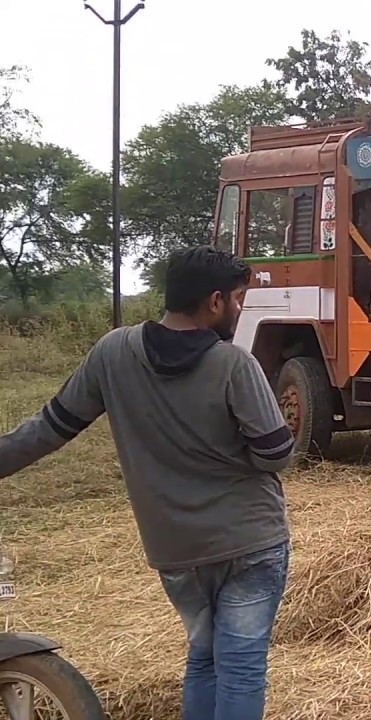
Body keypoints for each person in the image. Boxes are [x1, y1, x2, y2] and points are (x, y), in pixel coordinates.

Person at [0, 245, 294, 720]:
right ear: (215, 301)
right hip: (249, 540)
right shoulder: (234, 365)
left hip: (176, 549)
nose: (239, 310)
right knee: (240, 668)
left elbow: (48, 429)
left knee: (203, 659)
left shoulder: (112, 353)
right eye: (238, 299)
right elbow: (277, 455)